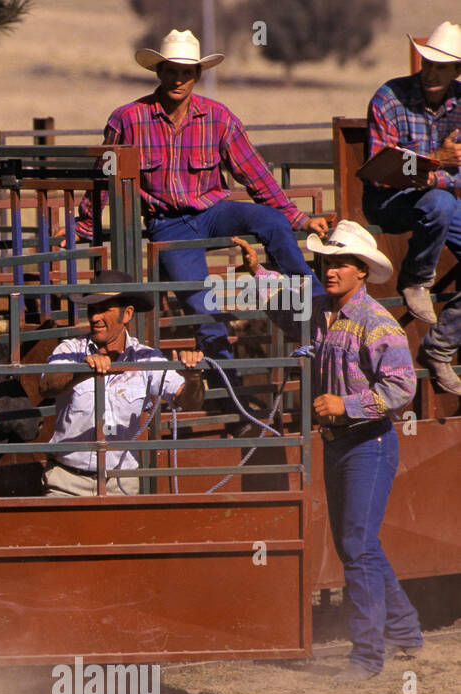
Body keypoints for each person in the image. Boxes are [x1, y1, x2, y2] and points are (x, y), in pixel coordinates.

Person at [74, 29, 327, 371]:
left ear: (197, 76)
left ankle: (316, 301)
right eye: (172, 71)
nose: (179, 80)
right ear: (159, 72)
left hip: (214, 212)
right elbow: (103, 178)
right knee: (203, 309)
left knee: (272, 221)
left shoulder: (218, 117)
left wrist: (299, 219)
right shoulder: (128, 119)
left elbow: (254, 173)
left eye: (187, 73)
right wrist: (84, 226)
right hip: (169, 225)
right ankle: (230, 397)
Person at [237, 220, 422, 682]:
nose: (330, 269)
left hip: (369, 442)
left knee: (356, 545)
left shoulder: (377, 323)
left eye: (340, 262)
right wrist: (258, 272)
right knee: (357, 544)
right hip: (343, 444)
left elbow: (402, 387)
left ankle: (366, 656)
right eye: (326, 261)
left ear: (362, 271)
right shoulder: (321, 311)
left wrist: (347, 404)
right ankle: (405, 629)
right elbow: (286, 310)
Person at [38, 270, 204, 496]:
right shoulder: (70, 350)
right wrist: (82, 370)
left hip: (121, 484)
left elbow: (188, 401)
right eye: (92, 309)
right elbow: (47, 385)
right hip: (66, 482)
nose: (95, 317)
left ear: (127, 315)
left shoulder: (147, 358)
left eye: (104, 309)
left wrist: (193, 378)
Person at [362, 21, 461, 394]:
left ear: (456, 71)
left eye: (442, 66)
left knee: (442, 201)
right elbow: (379, 172)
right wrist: (438, 161)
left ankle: (440, 346)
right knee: (441, 201)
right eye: (428, 63)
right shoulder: (390, 97)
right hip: (388, 202)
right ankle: (416, 278)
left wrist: (430, 174)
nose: (432, 72)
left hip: (441, 201)